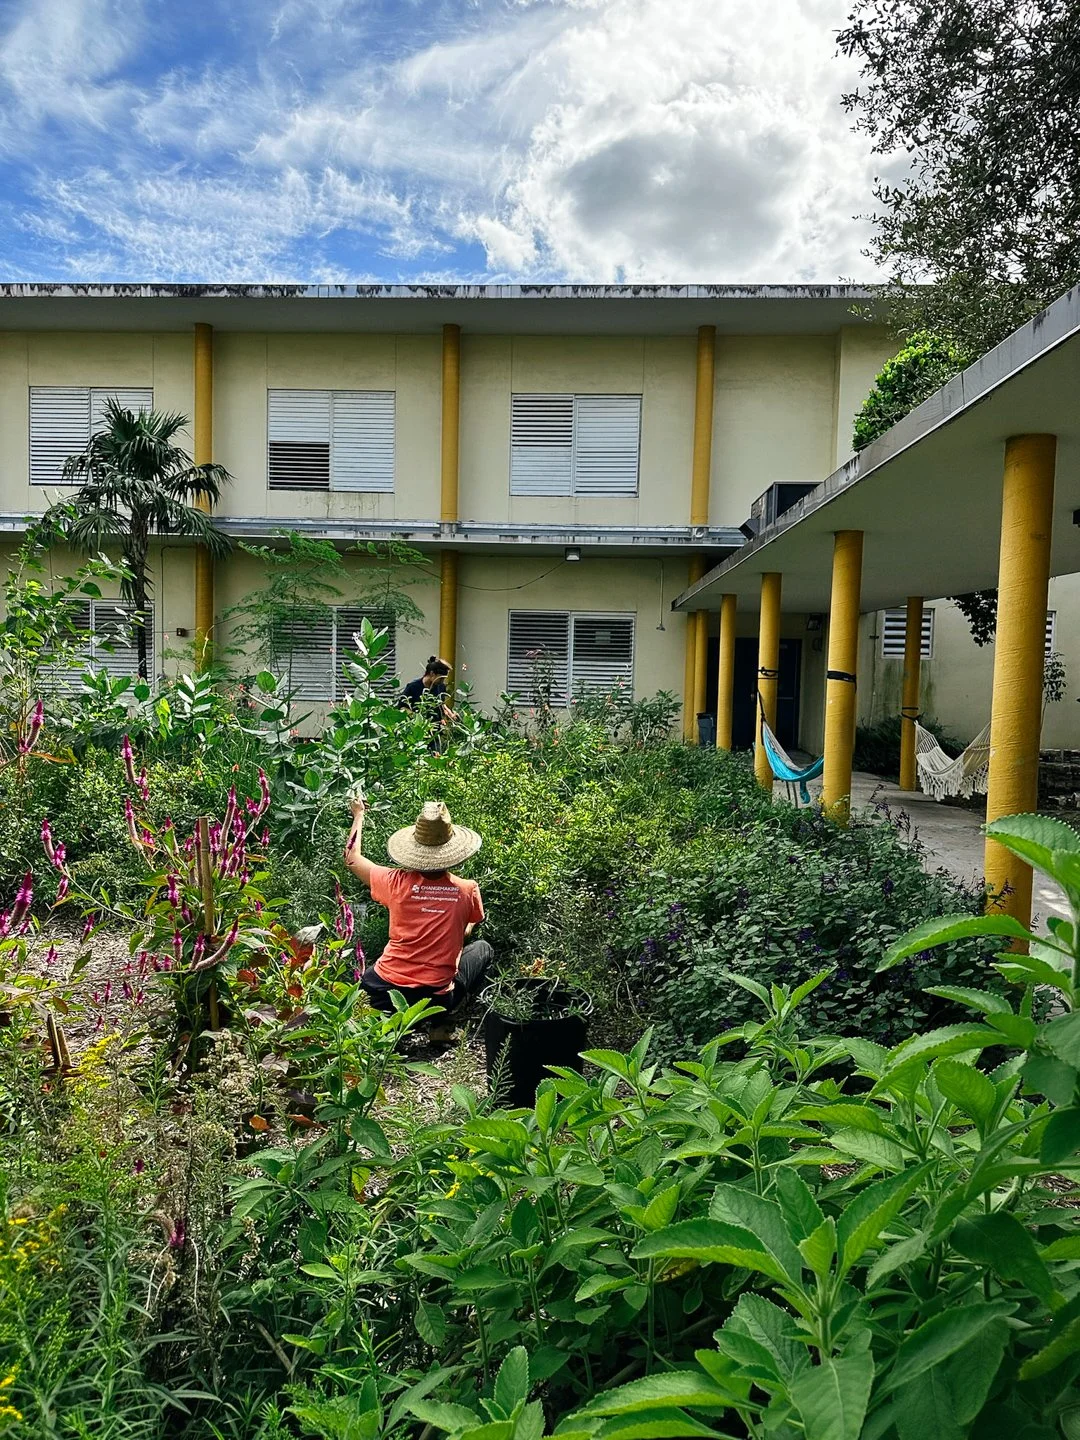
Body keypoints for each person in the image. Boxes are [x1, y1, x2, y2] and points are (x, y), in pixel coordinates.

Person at [344, 796, 492, 1022]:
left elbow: (352, 858)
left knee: (375, 971)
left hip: (382, 992)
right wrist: (461, 919)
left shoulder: (394, 882)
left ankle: (383, 1027)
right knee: (482, 949)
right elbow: (465, 933)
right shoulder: (467, 890)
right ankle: (442, 1027)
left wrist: (359, 814)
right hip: (433, 999)